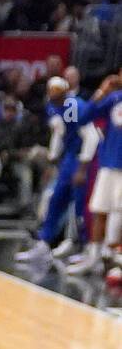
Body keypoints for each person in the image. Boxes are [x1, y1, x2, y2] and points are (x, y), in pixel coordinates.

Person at [16, 76, 99, 272]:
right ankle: (44, 244)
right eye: (49, 89)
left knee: (81, 206)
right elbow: (59, 133)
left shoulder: (74, 105)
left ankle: (86, 249)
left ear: (64, 89)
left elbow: (91, 136)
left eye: (55, 89)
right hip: (68, 158)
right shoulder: (53, 106)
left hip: (83, 158)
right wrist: (52, 160)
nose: (51, 93)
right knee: (55, 200)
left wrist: (82, 168)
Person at [63, 74, 122, 276]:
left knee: (118, 213)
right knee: (99, 210)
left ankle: (112, 261)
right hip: (108, 164)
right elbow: (84, 117)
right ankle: (94, 257)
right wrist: (102, 91)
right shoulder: (115, 98)